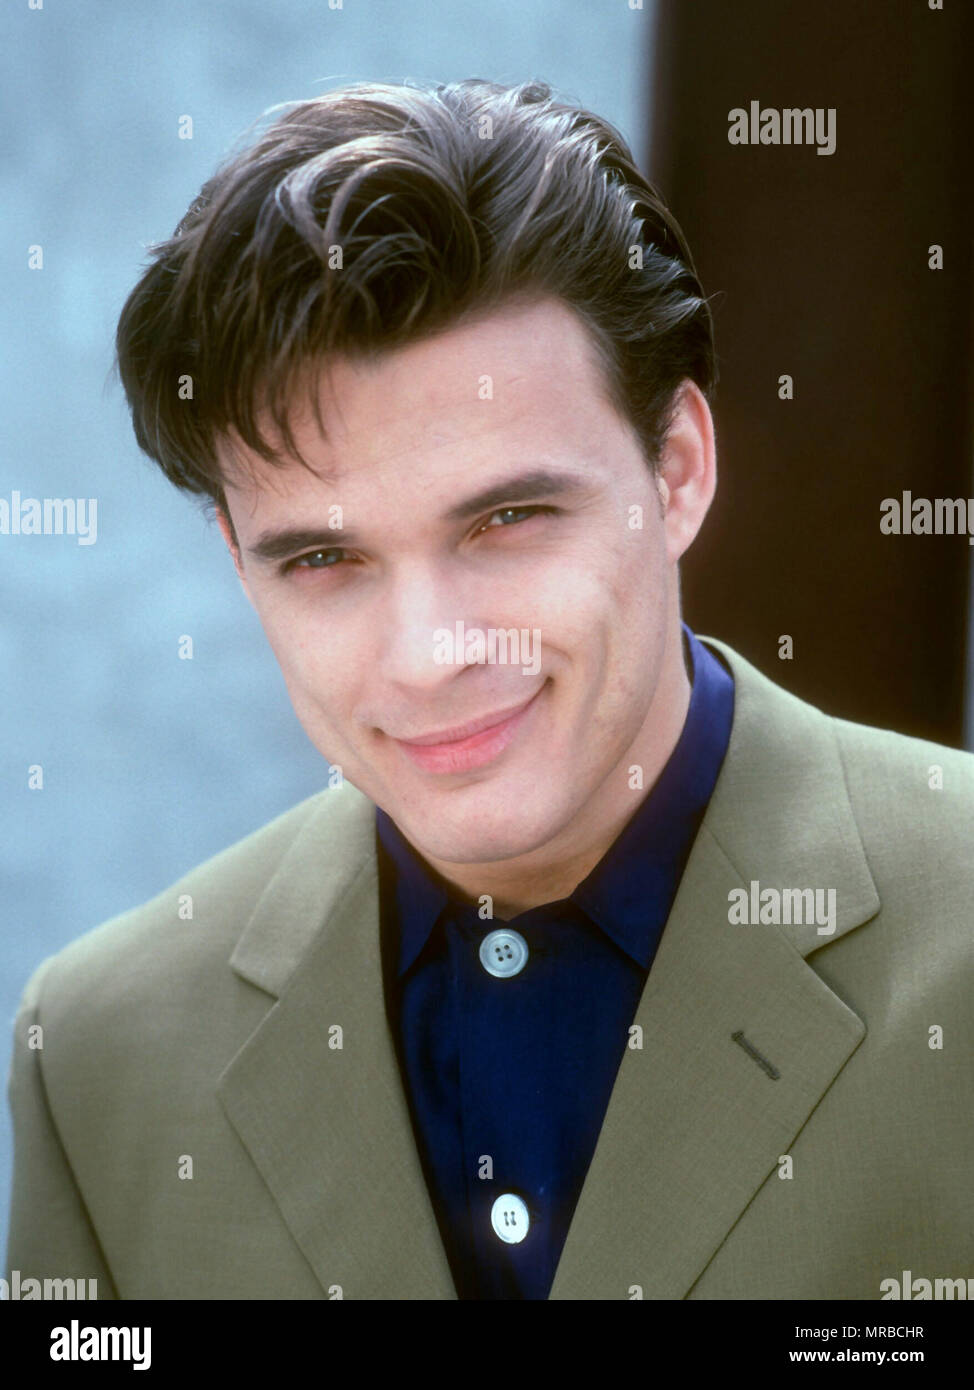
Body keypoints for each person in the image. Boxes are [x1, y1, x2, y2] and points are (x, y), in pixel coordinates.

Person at [6, 78, 973, 1302]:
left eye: (507, 519)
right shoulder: (100, 1055)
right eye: (323, 559)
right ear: (238, 567)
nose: (427, 654)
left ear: (674, 470)